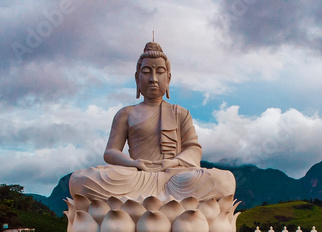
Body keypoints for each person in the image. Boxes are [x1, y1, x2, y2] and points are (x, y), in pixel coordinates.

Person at [68, 42, 234, 203]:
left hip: (174, 177)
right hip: (137, 176)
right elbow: (111, 152)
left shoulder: (180, 113)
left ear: (168, 79)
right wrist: (133, 163)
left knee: (224, 181)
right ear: (137, 78)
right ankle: (168, 205)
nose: (153, 79)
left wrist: (173, 162)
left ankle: (138, 207)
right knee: (80, 180)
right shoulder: (126, 113)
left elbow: (193, 149)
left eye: (160, 72)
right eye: (147, 72)